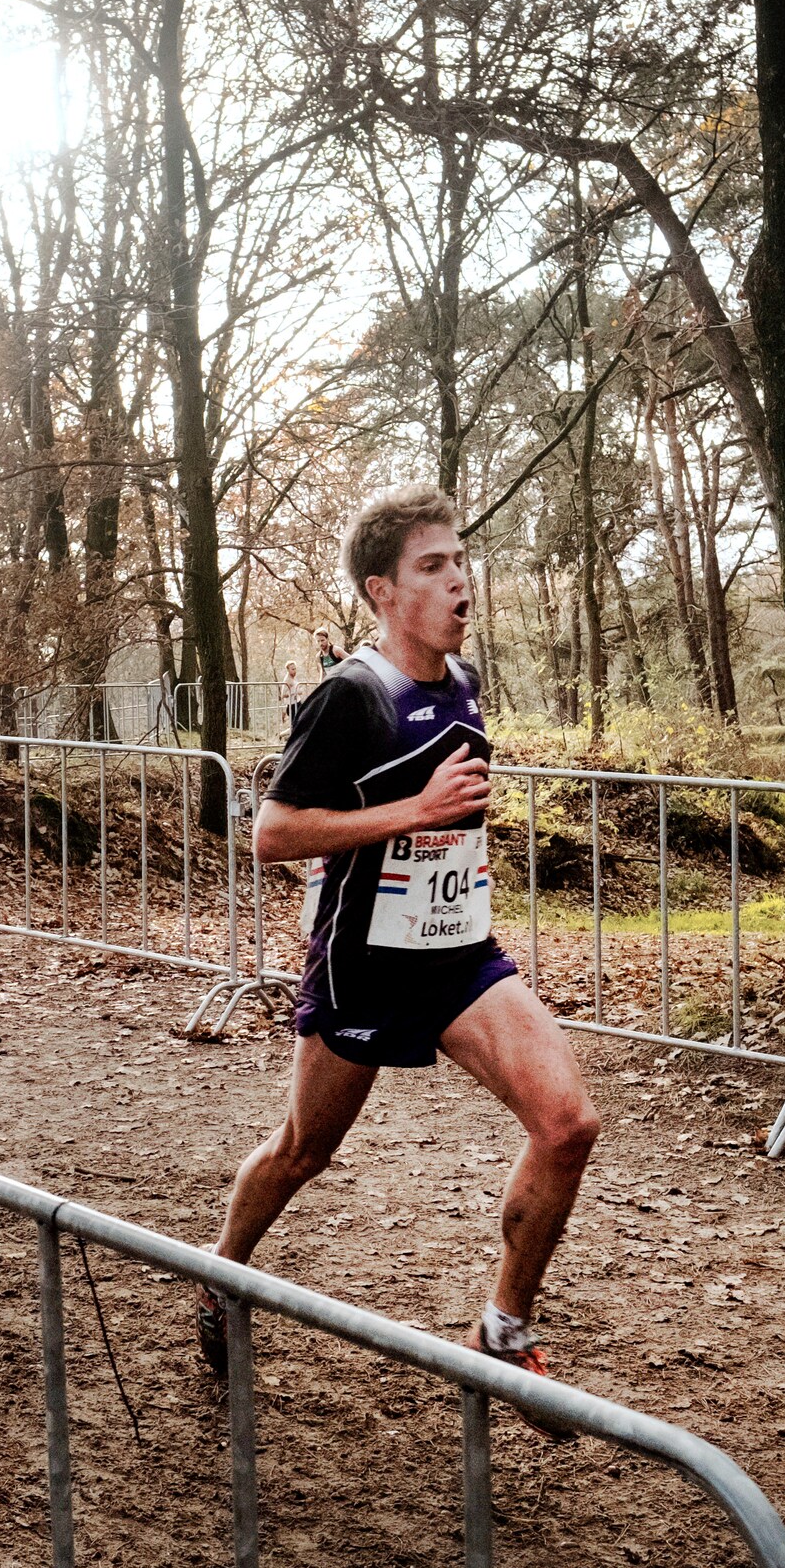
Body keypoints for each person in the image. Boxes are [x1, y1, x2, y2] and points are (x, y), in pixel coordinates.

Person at [197, 483, 599, 1439]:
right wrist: (417, 813)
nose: (460, 581)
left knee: (570, 1125)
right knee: (304, 1150)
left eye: (461, 561)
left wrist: (448, 833)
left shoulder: (459, 684)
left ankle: (499, 1333)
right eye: (434, 566)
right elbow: (274, 833)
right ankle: (220, 1276)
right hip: (365, 968)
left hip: (459, 957)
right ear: (383, 590)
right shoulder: (351, 695)